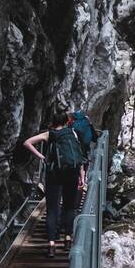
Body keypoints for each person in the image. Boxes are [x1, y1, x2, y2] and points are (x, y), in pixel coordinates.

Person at [24, 109, 87, 255]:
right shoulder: (73, 133)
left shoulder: (49, 134)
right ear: (66, 121)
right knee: (69, 207)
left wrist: (41, 157)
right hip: (71, 173)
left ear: (53, 122)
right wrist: (82, 176)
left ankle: (51, 244)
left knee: (52, 208)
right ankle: (67, 239)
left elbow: (27, 143)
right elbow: (78, 155)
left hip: (54, 174)